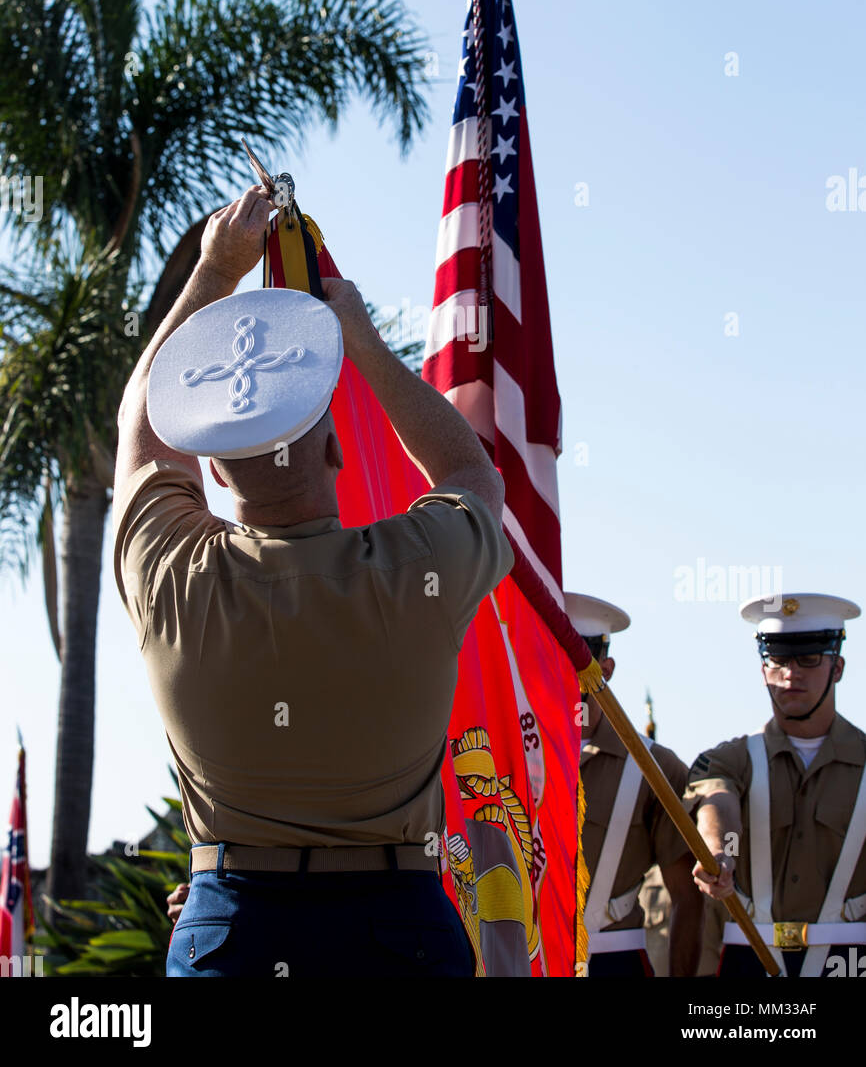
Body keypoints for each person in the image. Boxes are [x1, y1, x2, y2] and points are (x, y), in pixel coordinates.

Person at [113, 185, 514, 977]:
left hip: (231, 930)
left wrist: (213, 272)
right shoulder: (418, 568)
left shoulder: (172, 575)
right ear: (335, 453)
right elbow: (471, 468)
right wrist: (358, 339)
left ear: (217, 472)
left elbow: (142, 417)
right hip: (398, 932)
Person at [687, 592, 866, 978]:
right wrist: (720, 853)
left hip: (850, 960)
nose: (791, 674)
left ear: (837, 668)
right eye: (779, 660)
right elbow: (718, 802)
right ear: (763, 669)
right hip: (750, 956)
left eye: (808, 659)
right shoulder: (729, 759)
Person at [567, 593, 703, 977]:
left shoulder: (657, 767)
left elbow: (687, 899)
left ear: (605, 667)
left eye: (576, 657)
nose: (562, 666)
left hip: (613, 960)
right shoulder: (504, 752)